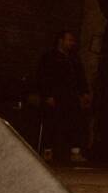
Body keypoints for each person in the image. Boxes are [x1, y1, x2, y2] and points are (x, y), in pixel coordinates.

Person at [36, 30, 90, 163]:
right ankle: (48, 151)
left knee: (75, 123)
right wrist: (47, 95)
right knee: (52, 122)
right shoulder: (50, 57)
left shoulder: (74, 59)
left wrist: (84, 93)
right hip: (56, 95)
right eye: (69, 40)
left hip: (72, 96)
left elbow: (80, 77)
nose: (72, 43)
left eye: (73, 40)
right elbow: (43, 77)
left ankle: (75, 152)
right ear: (61, 41)